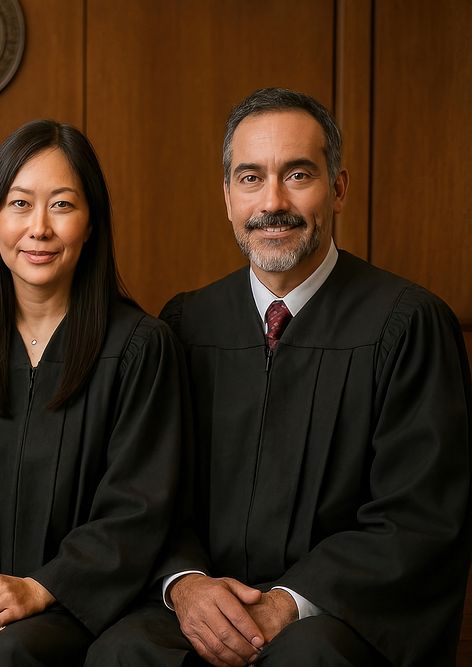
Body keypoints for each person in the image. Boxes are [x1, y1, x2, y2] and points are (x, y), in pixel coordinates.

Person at [87, 87, 472, 666]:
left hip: (334, 613)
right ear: (226, 196)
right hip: (202, 603)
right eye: (249, 178)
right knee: (125, 652)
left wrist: (289, 602)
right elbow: (146, 493)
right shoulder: (187, 324)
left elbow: (418, 517)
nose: (272, 201)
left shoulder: (406, 324)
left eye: (297, 174)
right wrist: (186, 583)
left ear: (337, 189)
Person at [0, 119, 188, 666]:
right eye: (19, 204)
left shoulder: (140, 348)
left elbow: (139, 506)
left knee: (6, 656)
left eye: (61, 205)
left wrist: (41, 587)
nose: (38, 228)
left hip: (80, 608)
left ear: (91, 224)